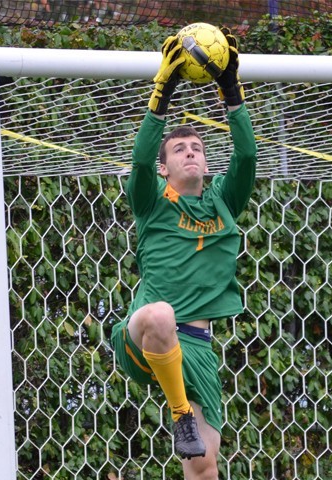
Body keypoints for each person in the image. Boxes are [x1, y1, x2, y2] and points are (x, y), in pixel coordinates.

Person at [109, 28, 256, 480]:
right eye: (179, 149)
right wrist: (163, 90)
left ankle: (190, 429)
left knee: (203, 466)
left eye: (197, 148)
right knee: (158, 315)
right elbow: (137, 161)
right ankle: (180, 415)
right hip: (146, 335)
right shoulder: (151, 200)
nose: (190, 153)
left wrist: (231, 91)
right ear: (164, 166)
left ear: (207, 165)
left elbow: (247, 156)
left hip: (200, 348)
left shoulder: (223, 202)